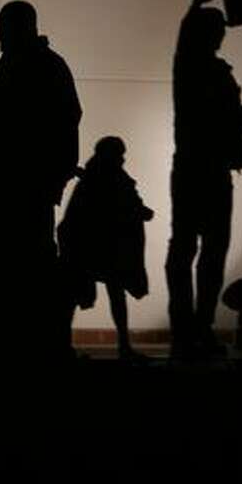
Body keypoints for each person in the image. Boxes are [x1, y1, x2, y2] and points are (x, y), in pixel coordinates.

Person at [166, 0, 242, 361]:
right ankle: (186, 329)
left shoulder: (217, 73)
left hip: (215, 171)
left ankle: (199, 326)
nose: (220, 36)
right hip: (194, 170)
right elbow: (183, 43)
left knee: (211, 254)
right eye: (215, 30)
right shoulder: (190, 68)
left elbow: (237, 124)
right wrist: (193, 4)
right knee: (186, 250)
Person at [0, 0, 81, 360]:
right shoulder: (30, 63)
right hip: (10, 185)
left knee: (29, 266)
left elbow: (63, 122)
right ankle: (23, 342)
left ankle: (38, 345)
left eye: (2, 25)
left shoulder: (39, 65)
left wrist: (52, 174)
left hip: (23, 186)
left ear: (17, 27)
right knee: (16, 267)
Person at [57, 136, 154, 363]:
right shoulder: (110, 179)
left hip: (94, 248)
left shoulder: (93, 179)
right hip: (102, 248)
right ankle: (122, 346)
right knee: (109, 295)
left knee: (76, 296)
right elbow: (123, 206)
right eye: (119, 154)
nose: (122, 159)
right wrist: (140, 212)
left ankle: (64, 344)